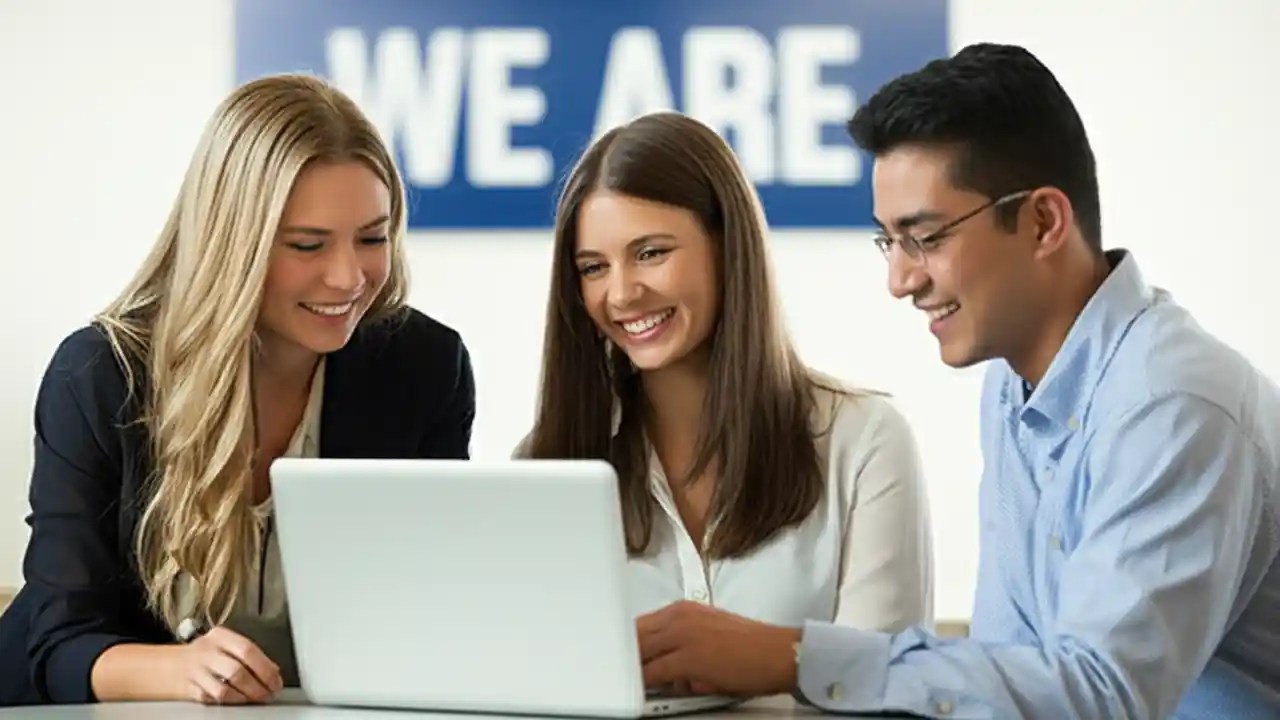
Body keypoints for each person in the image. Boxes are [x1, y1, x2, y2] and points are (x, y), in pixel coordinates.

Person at [634, 43, 1280, 718]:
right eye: (889, 241)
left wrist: (793, 657)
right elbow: (1013, 669)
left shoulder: (1171, 405)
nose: (901, 280)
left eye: (927, 237)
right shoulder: (1016, 383)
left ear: (1043, 221)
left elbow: (1102, 698)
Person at [0, 74, 476, 707]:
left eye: (372, 238)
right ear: (232, 241)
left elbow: (430, 605)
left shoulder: (423, 366)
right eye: (307, 245)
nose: (348, 278)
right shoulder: (99, 376)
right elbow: (57, 644)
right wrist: (179, 670)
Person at [519, 110, 934, 665]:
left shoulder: (862, 443)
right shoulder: (545, 465)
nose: (620, 294)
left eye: (650, 253)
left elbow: (886, 687)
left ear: (727, 246)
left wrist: (764, 658)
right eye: (593, 267)